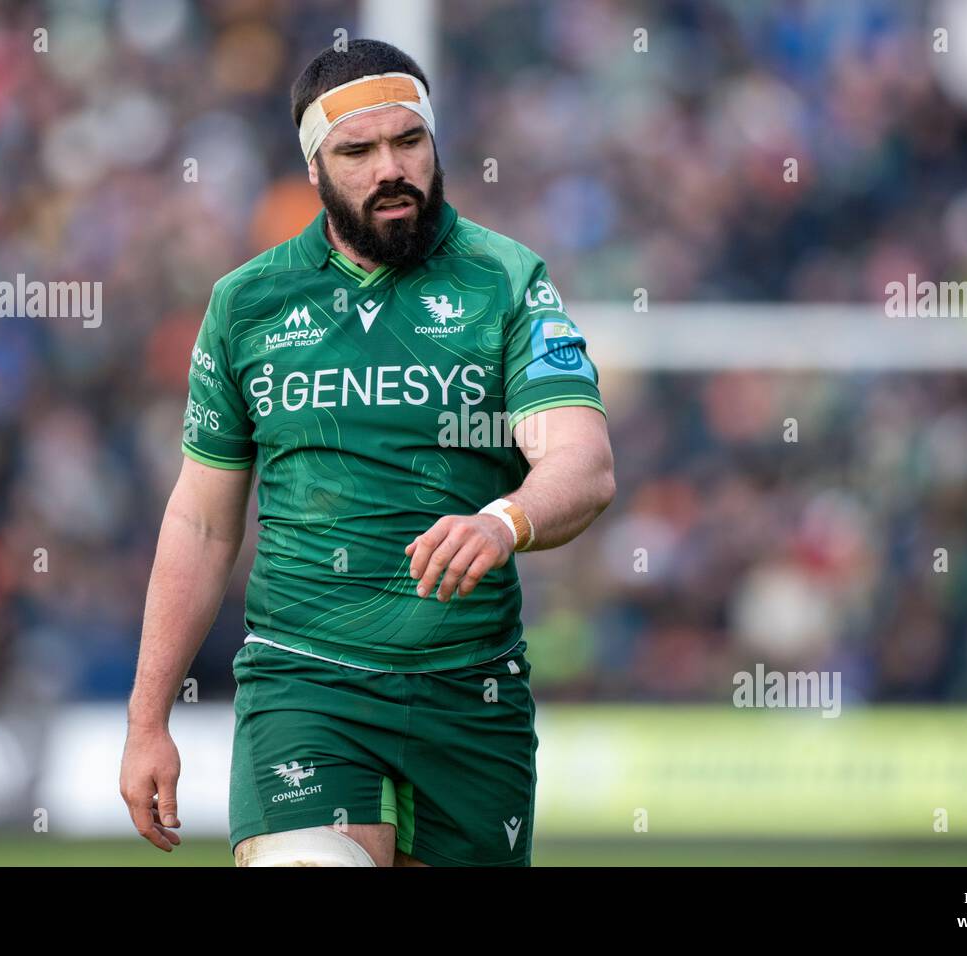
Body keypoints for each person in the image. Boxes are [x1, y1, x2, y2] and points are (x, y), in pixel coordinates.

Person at [118, 38, 615, 866]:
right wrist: (146, 721)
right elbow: (203, 525)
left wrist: (504, 521)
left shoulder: (507, 279)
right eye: (358, 151)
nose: (391, 168)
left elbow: (583, 464)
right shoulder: (248, 304)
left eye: (408, 142)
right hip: (307, 680)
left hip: (472, 693)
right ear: (314, 170)